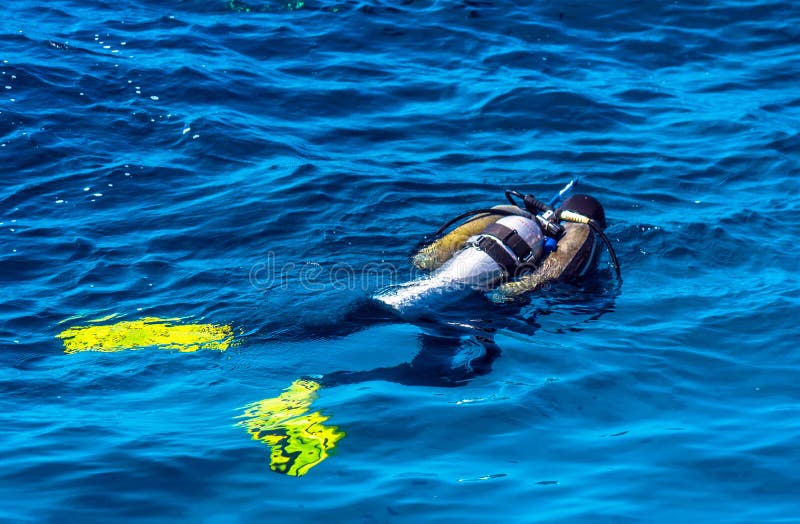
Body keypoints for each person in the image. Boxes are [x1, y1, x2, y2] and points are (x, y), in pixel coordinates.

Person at [237, 188, 620, 476]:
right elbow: (542, 287)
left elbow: (429, 254)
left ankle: (228, 336)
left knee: (333, 330)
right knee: (442, 376)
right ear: (591, 224)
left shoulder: (507, 218)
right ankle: (316, 384)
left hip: (423, 294)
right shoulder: (574, 241)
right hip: (458, 309)